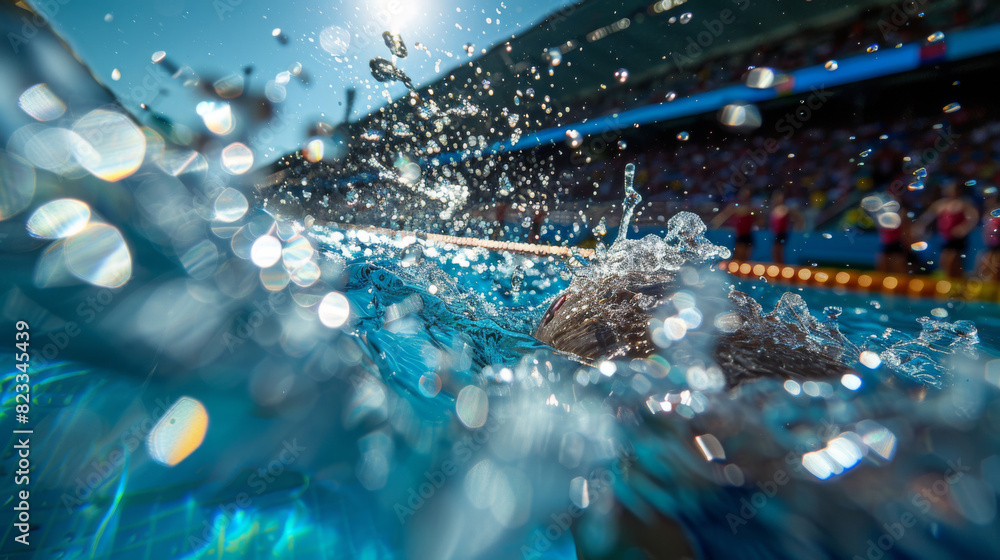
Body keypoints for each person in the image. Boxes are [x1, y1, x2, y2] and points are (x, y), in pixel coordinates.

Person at [915, 182, 979, 278]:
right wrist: (920, 227)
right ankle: (947, 279)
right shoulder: (941, 204)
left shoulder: (963, 204)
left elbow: (974, 218)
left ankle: (955, 279)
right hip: (945, 238)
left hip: (957, 239)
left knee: (954, 261)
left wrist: (963, 228)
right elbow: (927, 217)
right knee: (944, 261)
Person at [711, 188, 757, 261]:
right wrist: (714, 224)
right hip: (741, 236)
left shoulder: (751, 208)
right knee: (738, 257)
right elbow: (723, 216)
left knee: (745, 258)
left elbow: (758, 220)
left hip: (748, 236)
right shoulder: (737, 208)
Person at [767, 191, 802, 264]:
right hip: (776, 233)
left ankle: (780, 266)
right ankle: (778, 265)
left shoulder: (785, 209)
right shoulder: (774, 209)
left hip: (781, 233)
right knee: (775, 251)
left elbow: (797, 217)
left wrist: (797, 225)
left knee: (778, 251)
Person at [976, 195, 1000, 282]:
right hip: (992, 244)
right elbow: (987, 229)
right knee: (986, 261)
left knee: (994, 264)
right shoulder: (990, 213)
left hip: (996, 244)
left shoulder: (995, 212)